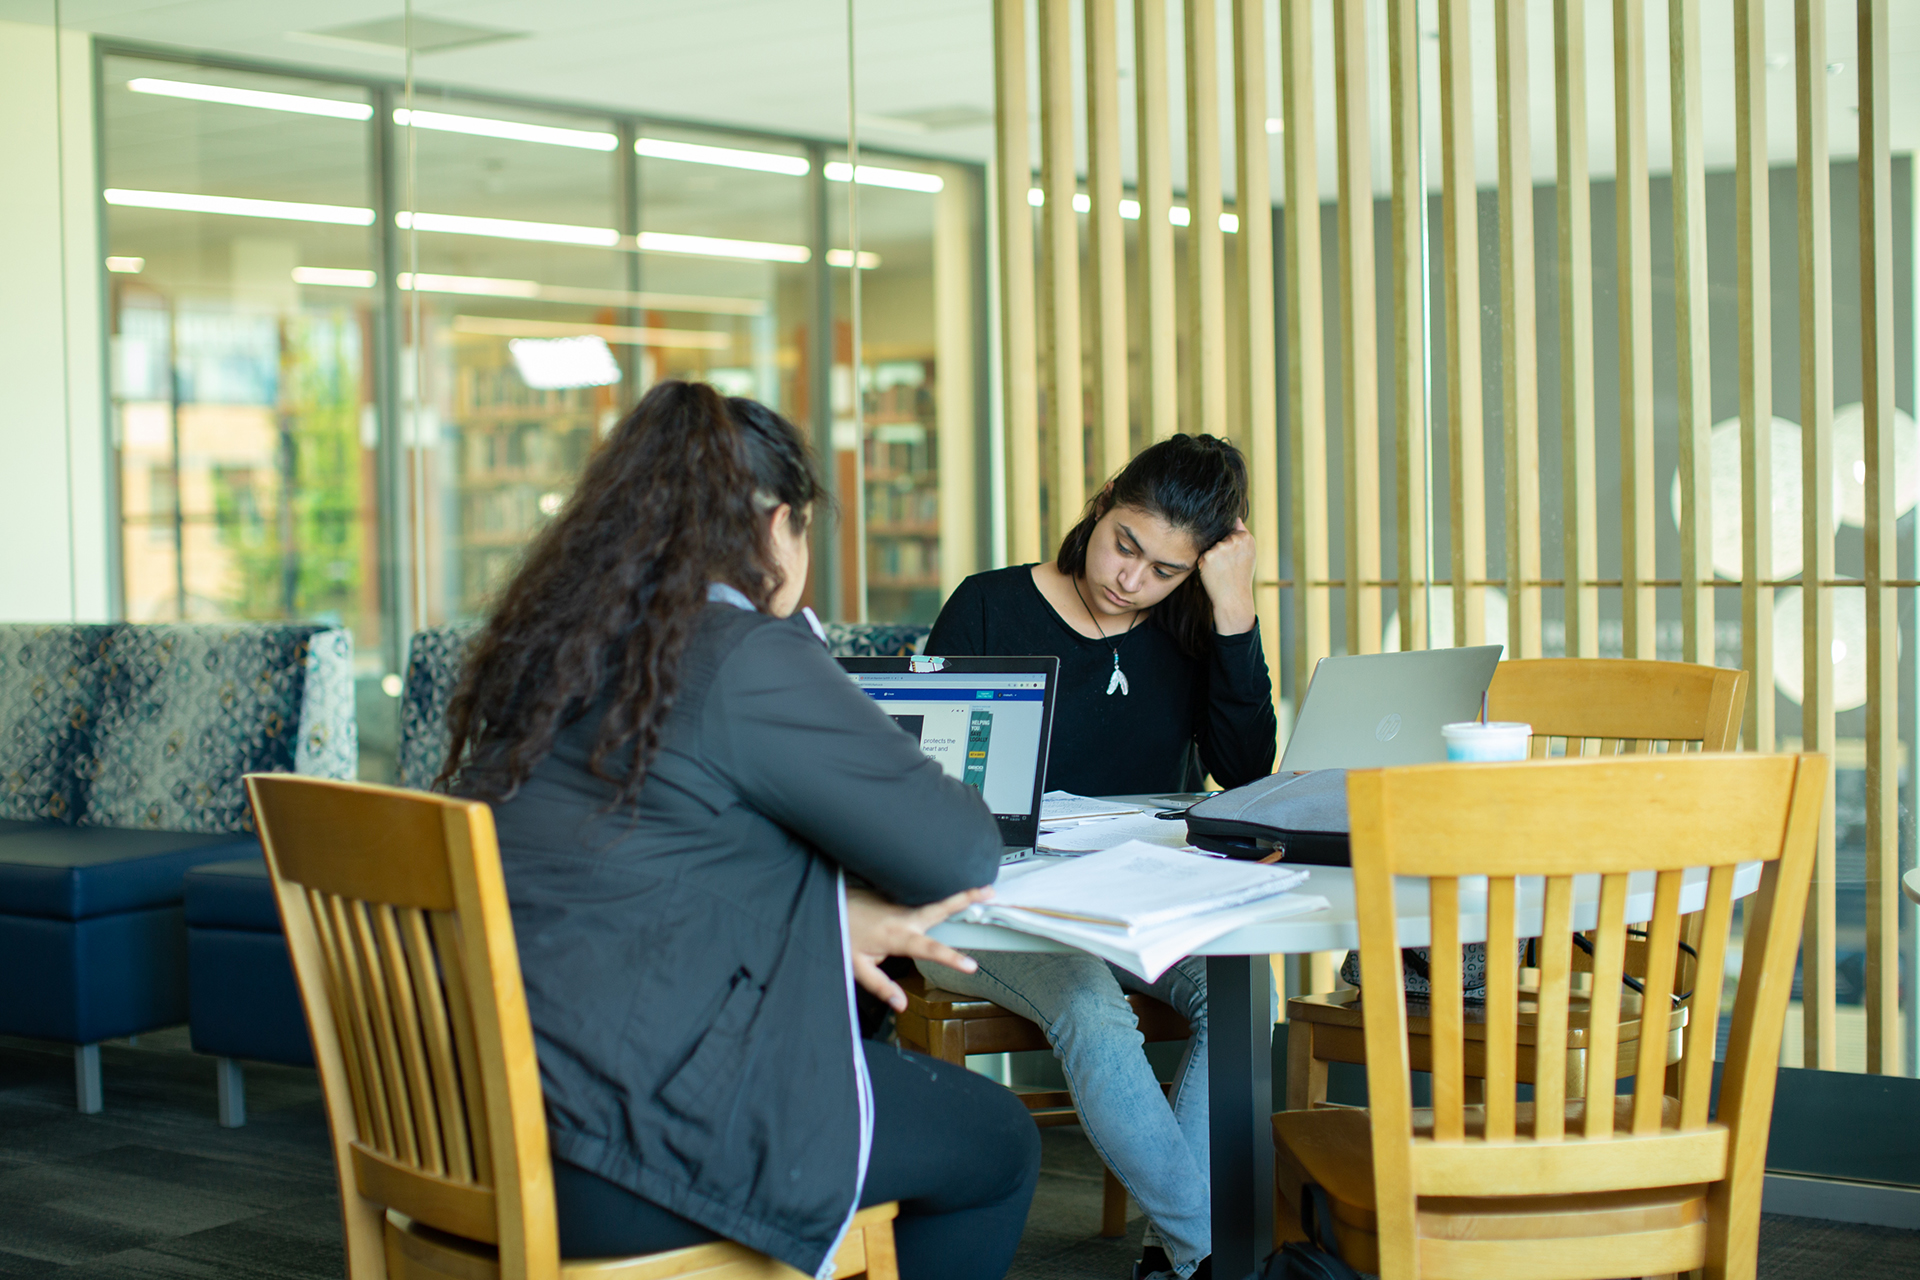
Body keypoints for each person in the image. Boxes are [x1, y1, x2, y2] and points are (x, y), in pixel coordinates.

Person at [441, 381, 1041, 1280]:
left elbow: (642, 865)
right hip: (616, 1148)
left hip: (484, 1112)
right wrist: (798, 641)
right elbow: (959, 849)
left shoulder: (560, 652)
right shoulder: (742, 650)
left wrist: (821, 917)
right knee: (998, 1145)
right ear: (777, 524)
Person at [919, 434, 1277, 1280]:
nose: (1131, 580)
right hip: (994, 904)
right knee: (1089, 1005)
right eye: (1125, 545)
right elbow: (923, 780)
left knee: (1242, 989)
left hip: (1135, 900)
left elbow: (1247, 771)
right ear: (1105, 499)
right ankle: (1211, 1259)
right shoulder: (988, 604)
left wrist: (1233, 611)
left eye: (1166, 570)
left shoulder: (1193, 625)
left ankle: (1173, 1258)